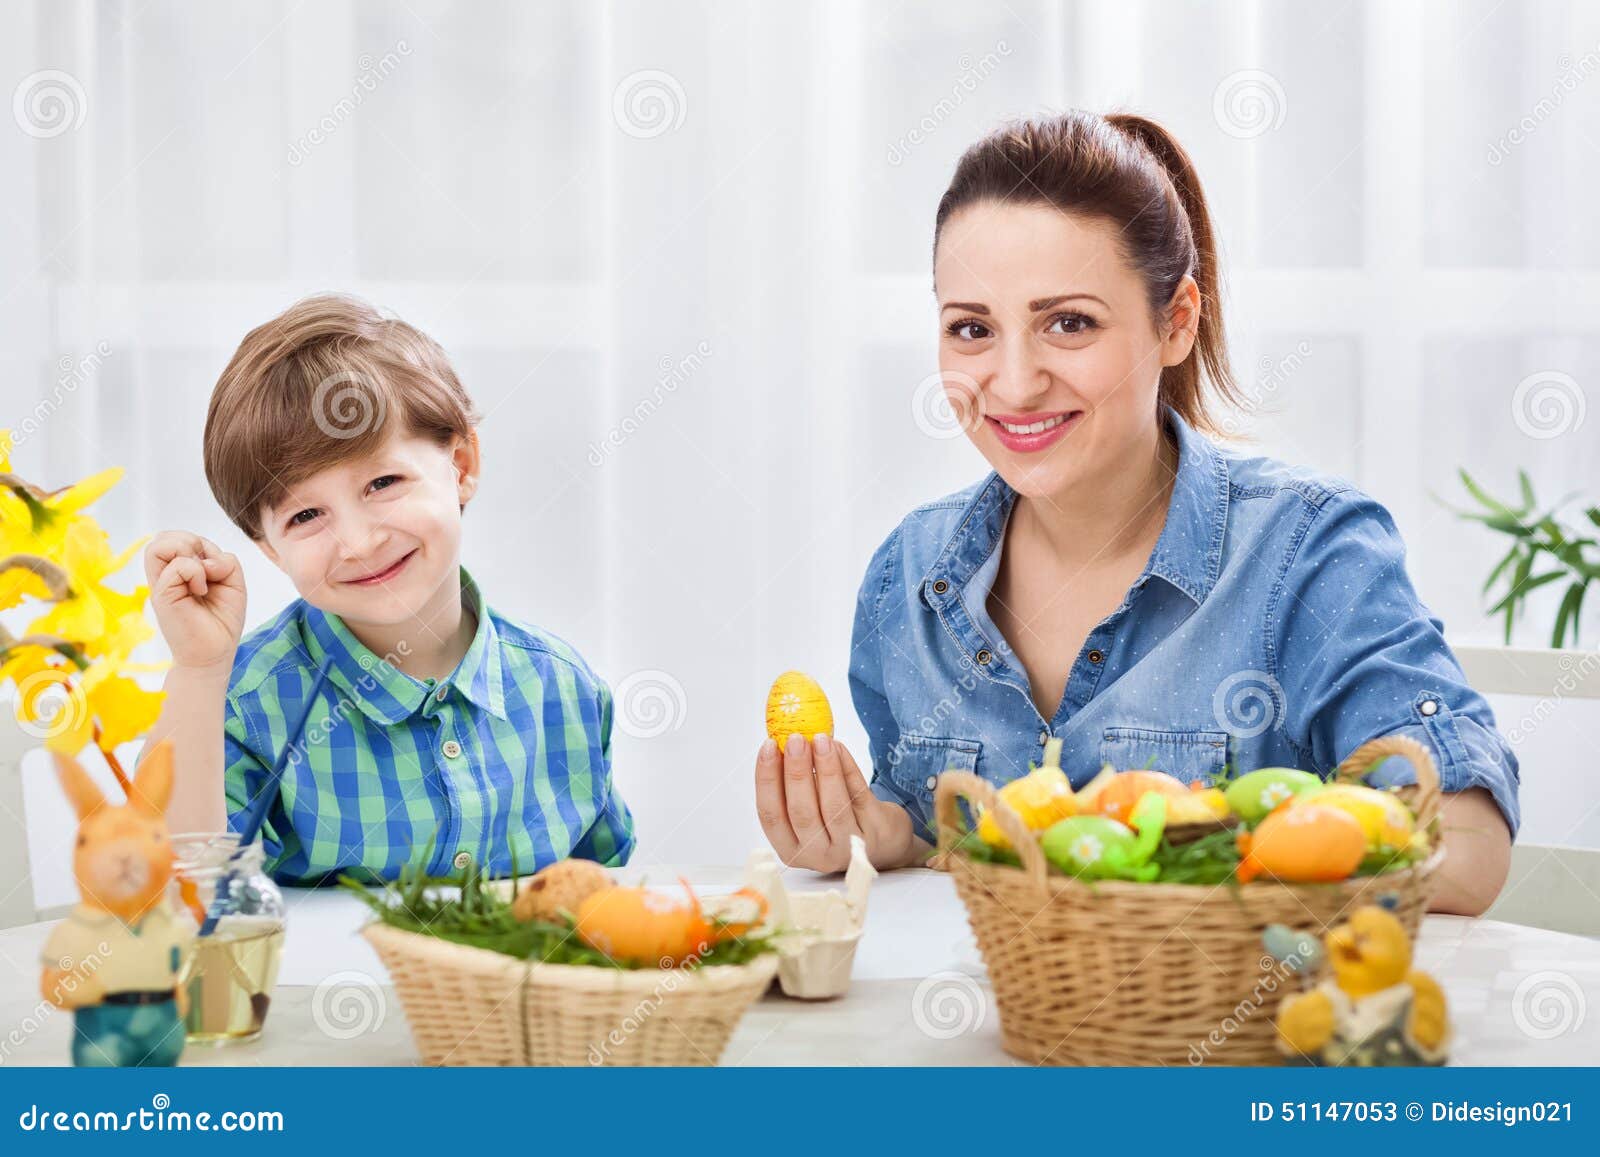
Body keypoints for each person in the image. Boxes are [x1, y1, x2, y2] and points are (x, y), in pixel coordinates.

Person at [754, 111, 1515, 916]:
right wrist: (888, 834)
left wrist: (1224, 865)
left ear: (1177, 322)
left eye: (1069, 323)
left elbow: (1468, 848)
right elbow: (932, 847)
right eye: (972, 328)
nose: (1013, 384)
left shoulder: (1308, 551)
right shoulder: (908, 575)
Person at [142, 294, 634, 883]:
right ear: (269, 547)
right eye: (305, 517)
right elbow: (169, 897)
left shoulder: (564, 691)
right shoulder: (246, 708)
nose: (356, 541)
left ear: (461, 466)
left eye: (382, 481)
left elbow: (606, 900)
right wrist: (198, 671)